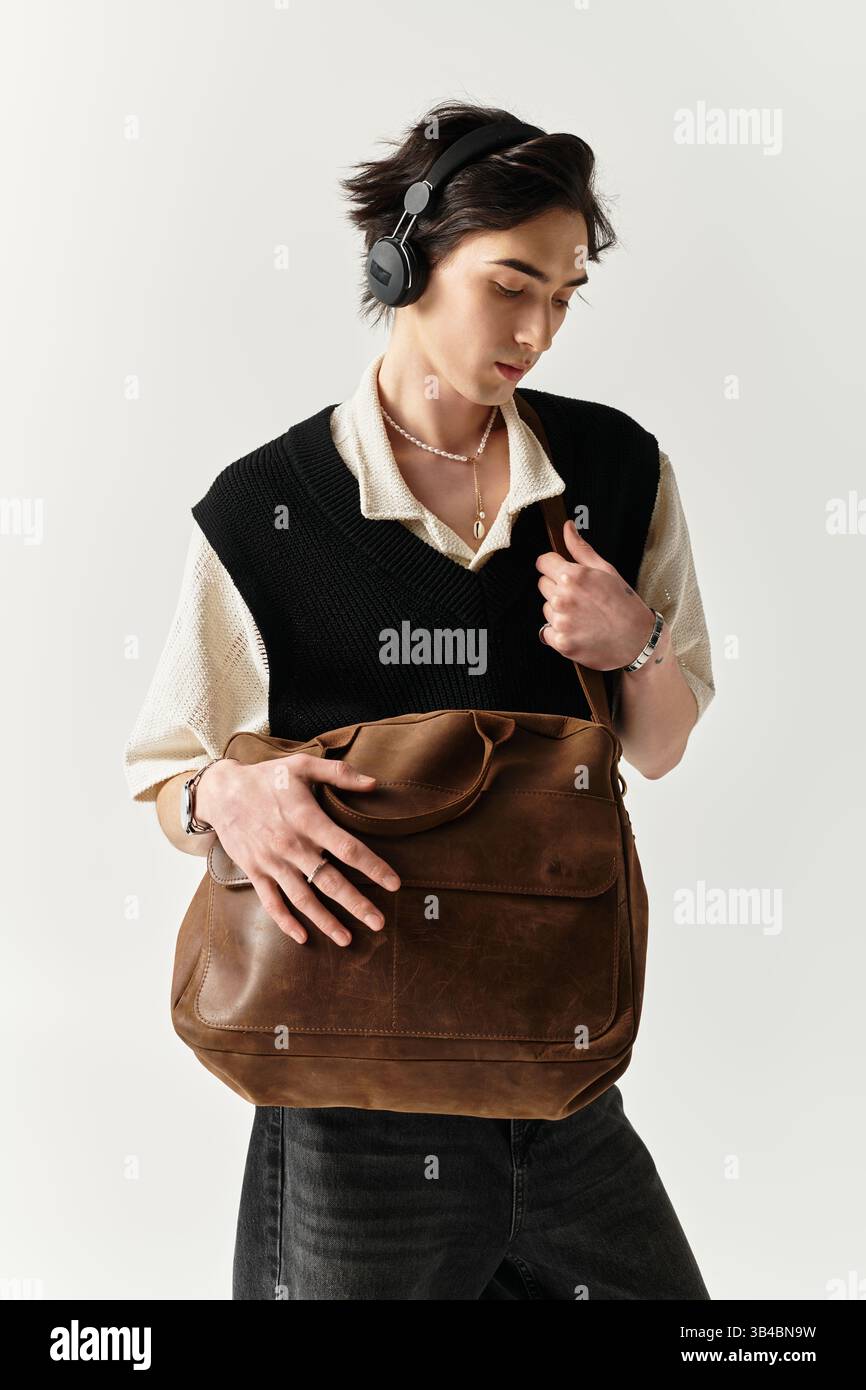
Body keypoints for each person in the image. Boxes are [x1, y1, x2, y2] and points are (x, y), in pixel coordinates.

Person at [123, 100, 715, 1300]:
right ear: (403, 265)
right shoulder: (264, 509)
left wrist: (634, 638)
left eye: (564, 296)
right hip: (351, 1102)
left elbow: (655, 747)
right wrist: (225, 793)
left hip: (558, 1078)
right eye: (510, 285)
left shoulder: (613, 473)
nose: (537, 330)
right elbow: (169, 777)